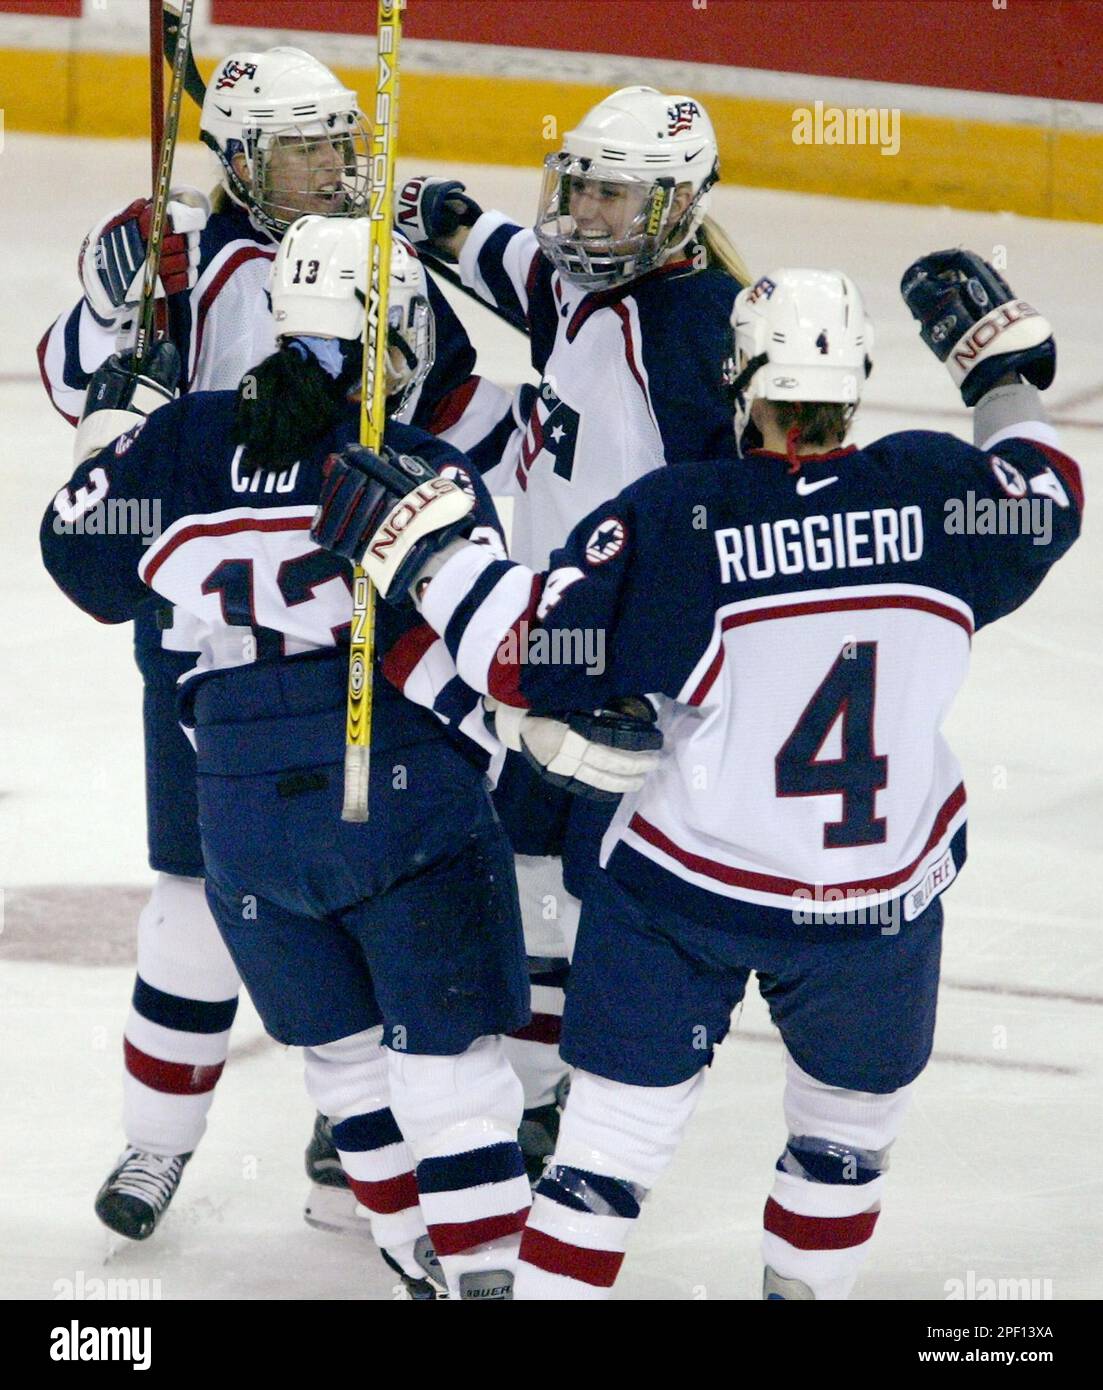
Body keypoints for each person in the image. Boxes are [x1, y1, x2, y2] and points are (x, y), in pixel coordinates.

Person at [308, 251, 1080, 1298]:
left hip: (692, 894)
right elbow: (1049, 491)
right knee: (842, 1141)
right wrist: (1002, 377)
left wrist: (427, 557)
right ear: (853, 380)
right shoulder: (940, 491)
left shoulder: (686, 519)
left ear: (738, 383)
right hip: (881, 897)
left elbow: (527, 657)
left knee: (601, 1163)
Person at [35, 44, 512, 1240]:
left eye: (341, 141)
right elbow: (69, 384)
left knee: (359, 874)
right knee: (197, 891)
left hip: (365, 605)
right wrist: (108, 307)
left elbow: (454, 402)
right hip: (205, 630)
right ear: (243, 156)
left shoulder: (370, 256)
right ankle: (157, 1145)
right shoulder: (181, 258)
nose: (336, 164)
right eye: (307, 145)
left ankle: (363, 1125)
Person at [395, 86, 754, 1170]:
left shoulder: (703, 337)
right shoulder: (586, 286)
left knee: (614, 892)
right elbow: (510, 261)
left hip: (630, 664)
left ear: (680, 204)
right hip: (550, 634)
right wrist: (428, 214)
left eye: (615, 195)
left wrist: (655, 675)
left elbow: (733, 528)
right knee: (522, 867)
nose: (586, 213)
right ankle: (542, 1090)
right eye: (580, 186)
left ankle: (601, 1113)